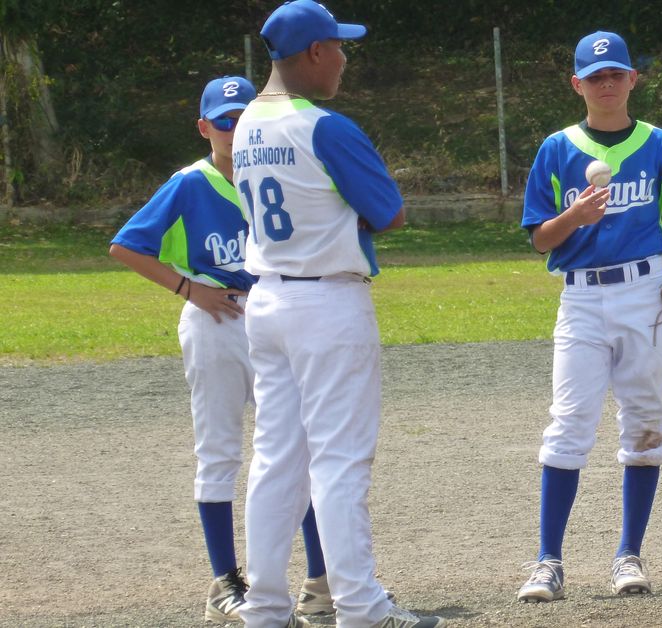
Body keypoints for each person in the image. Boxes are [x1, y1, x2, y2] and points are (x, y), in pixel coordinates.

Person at [231, 2, 443, 626]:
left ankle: (265, 608)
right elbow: (391, 212)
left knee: (275, 459)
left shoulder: (244, 122)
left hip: (266, 299)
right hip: (325, 300)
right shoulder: (324, 126)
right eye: (339, 47)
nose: (345, 59)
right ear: (315, 52)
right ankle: (359, 607)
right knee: (339, 461)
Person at [516, 30, 662, 603]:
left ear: (632, 80)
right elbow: (540, 240)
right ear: (577, 85)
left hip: (646, 292)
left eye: (615, 74)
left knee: (644, 423)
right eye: (595, 77)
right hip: (581, 298)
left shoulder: (659, 144)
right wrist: (574, 219)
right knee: (568, 425)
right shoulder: (556, 149)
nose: (606, 83)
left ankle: (628, 555)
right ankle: (547, 561)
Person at [109, 75, 335, 624]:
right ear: (204, 127)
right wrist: (190, 289)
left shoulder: (277, 172)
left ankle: (321, 579)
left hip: (274, 314)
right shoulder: (190, 182)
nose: (234, 130)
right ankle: (224, 581)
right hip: (215, 320)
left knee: (296, 447)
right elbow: (126, 245)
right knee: (219, 451)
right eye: (224, 120)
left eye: (243, 118)